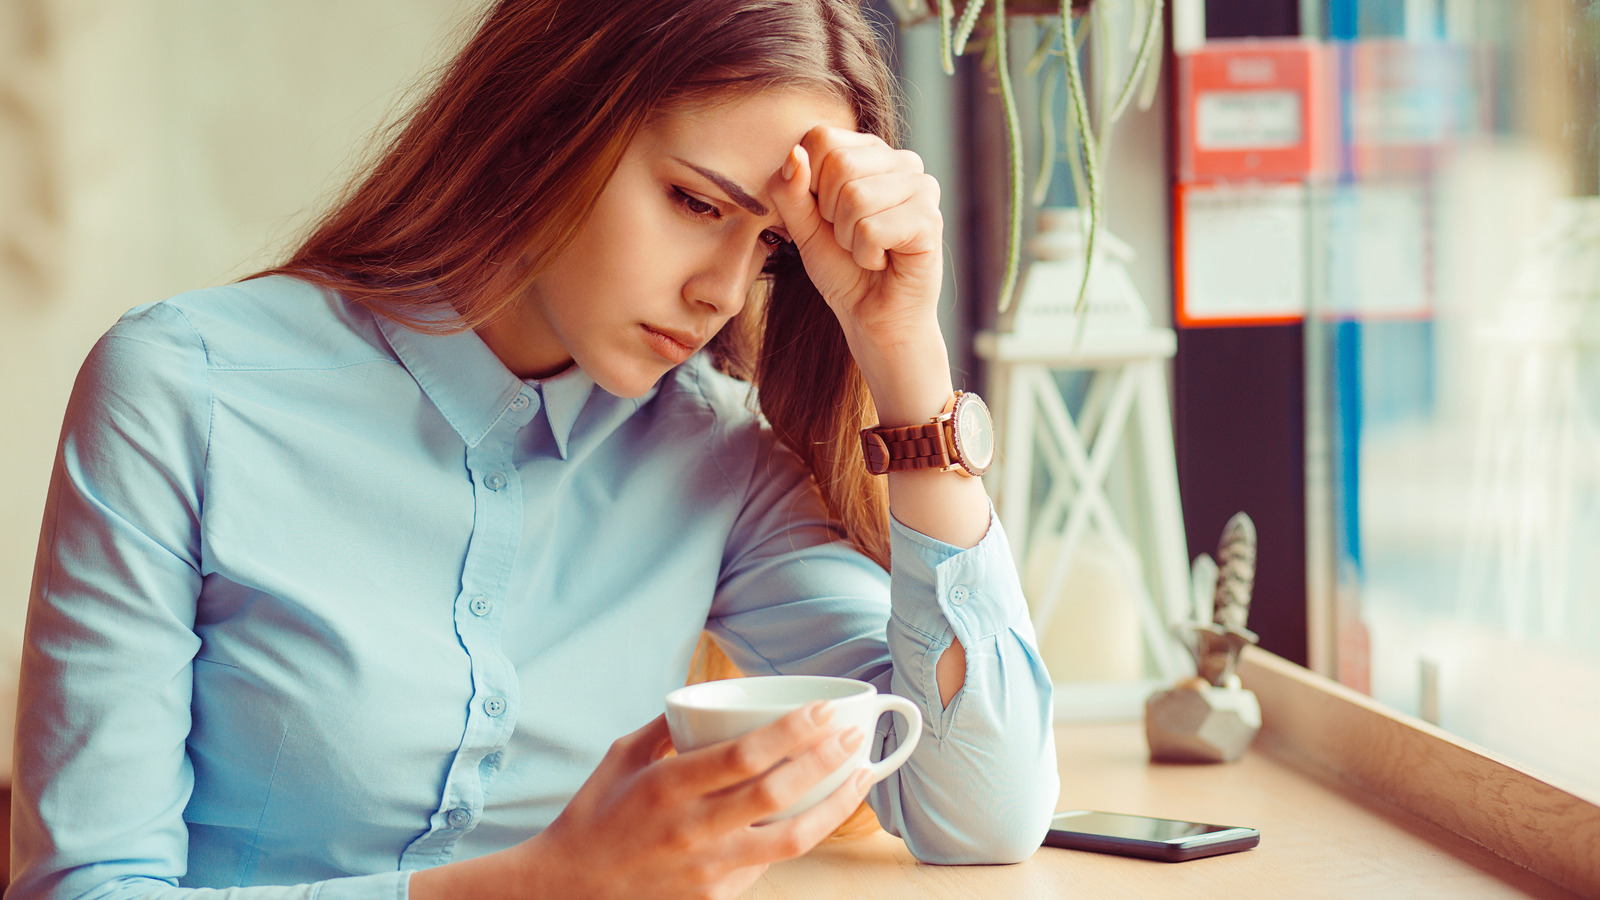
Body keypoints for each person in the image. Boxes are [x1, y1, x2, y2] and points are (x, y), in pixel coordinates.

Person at [9, 1, 1059, 897]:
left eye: (771, 247)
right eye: (695, 203)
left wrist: (903, 348)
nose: (724, 292)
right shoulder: (182, 389)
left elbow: (978, 811)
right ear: (541, 125)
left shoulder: (716, 457)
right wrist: (549, 882)